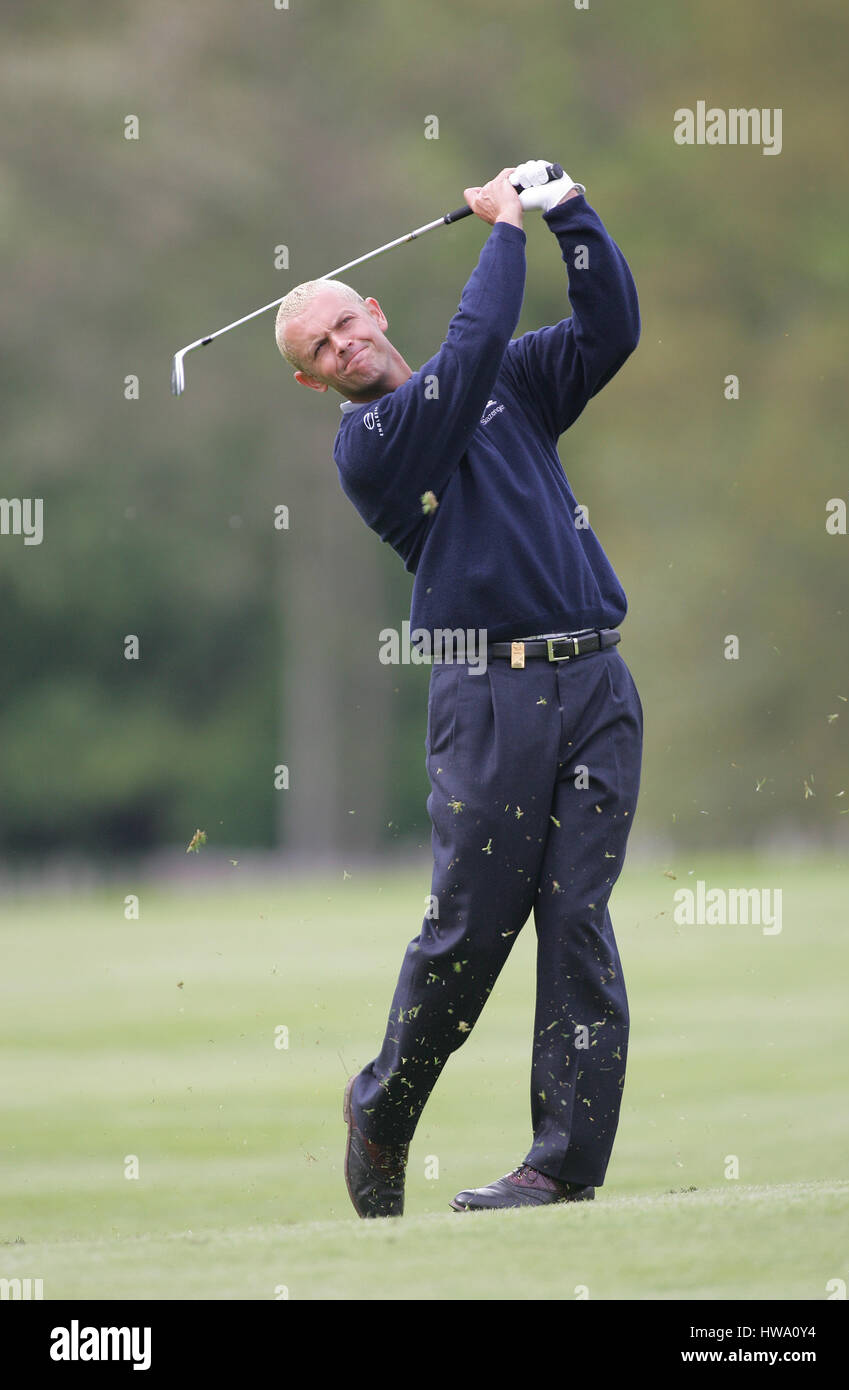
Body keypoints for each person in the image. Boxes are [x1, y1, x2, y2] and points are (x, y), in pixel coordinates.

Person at [275, 160, 643, 1216]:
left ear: (373, 308)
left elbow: (607, 329)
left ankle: (560, 1165)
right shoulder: (375, 445)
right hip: (489, 702)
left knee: (577, 925)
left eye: (346, 324)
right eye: (322, 351)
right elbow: (470, 348)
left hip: (595, 684)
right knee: (467, 935)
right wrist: (501, 228)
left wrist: (568, 212)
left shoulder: (510, 390)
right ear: (314, 380)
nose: (344, 347)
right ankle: (382, 1110)